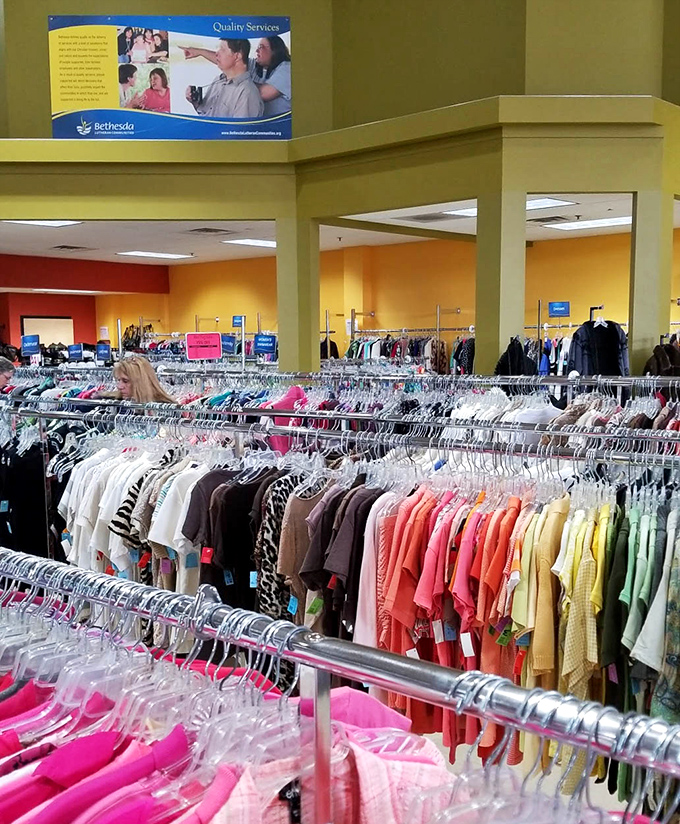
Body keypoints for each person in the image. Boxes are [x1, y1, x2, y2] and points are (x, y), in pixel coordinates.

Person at [182, 39, 263, 118]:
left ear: (237, 56)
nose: (217, 53)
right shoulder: (218, 80)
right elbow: (206, 115)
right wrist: (195, 102)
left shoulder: (247, 92)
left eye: (223, 49)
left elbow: (240, 130)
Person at [251, 36, 291, 118]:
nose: (257, 50)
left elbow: (262, 94)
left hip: (282, 126)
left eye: (261, 47)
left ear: (274, 50)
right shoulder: (263, 68)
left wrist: (239, 80)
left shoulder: (287, 68)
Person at [111, 357, 176, 404]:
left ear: (141, 382)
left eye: (125, 381)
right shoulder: (115, 406)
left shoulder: (167, 409)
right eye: (118, 380)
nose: (119, 386)